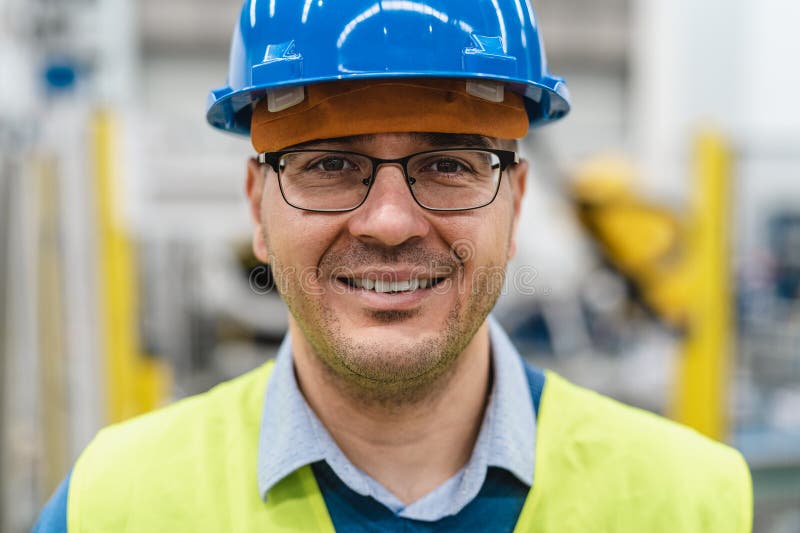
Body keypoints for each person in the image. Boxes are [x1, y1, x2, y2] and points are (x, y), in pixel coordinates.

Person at [35, 1, 752, 531]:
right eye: (329, 164)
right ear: (257, 207)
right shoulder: (115, 504)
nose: (388, 222)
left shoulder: (690, 504)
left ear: (516, 204)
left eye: (449, 164)